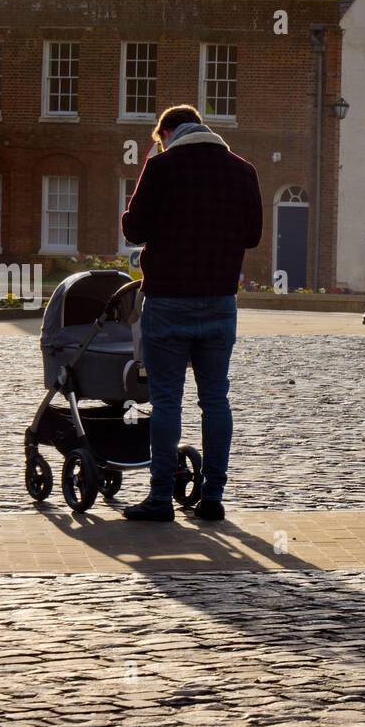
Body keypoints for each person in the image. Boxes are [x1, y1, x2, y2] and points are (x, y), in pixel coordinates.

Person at [120, 104, 264, 523]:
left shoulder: (162, 167)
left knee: (167, 402)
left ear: (167, 132)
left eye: (159, 141)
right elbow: (252, 236)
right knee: (216, 400)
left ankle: (161, 498)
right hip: (219, 300)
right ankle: (213, 497)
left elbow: (134, 229)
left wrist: (151, 170)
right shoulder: (243, 170)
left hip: (167, 300)